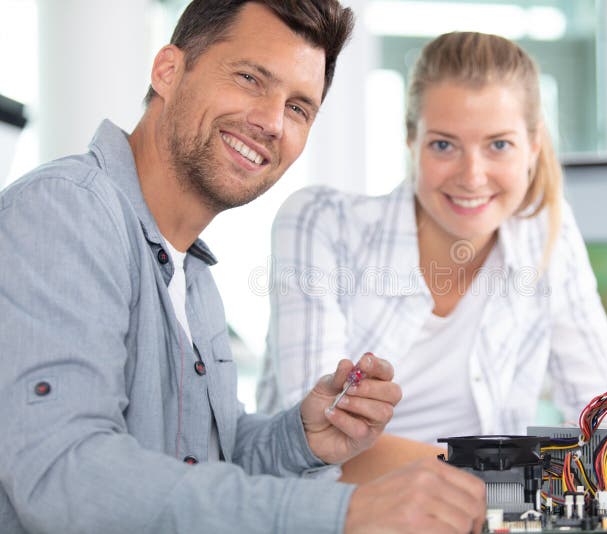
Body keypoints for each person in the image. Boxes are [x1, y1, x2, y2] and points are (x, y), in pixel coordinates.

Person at [0, 2, 486, 533]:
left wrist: (300, 439)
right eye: (251, 78)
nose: (272, 122)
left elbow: (199, 467)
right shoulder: (64, 212)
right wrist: (344, 512)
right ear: (167, 70)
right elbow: (66, 477)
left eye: (299, 108)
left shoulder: (194, 275)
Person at [257, 31, 607, 478]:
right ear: (412, 140)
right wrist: (517, 470)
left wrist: (541, 469)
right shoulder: (321, 223)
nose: (472, 176)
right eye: (444, 145)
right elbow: (314, 444)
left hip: (486, 517)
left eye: (498, 145)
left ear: (534, 146)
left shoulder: (545, 233)